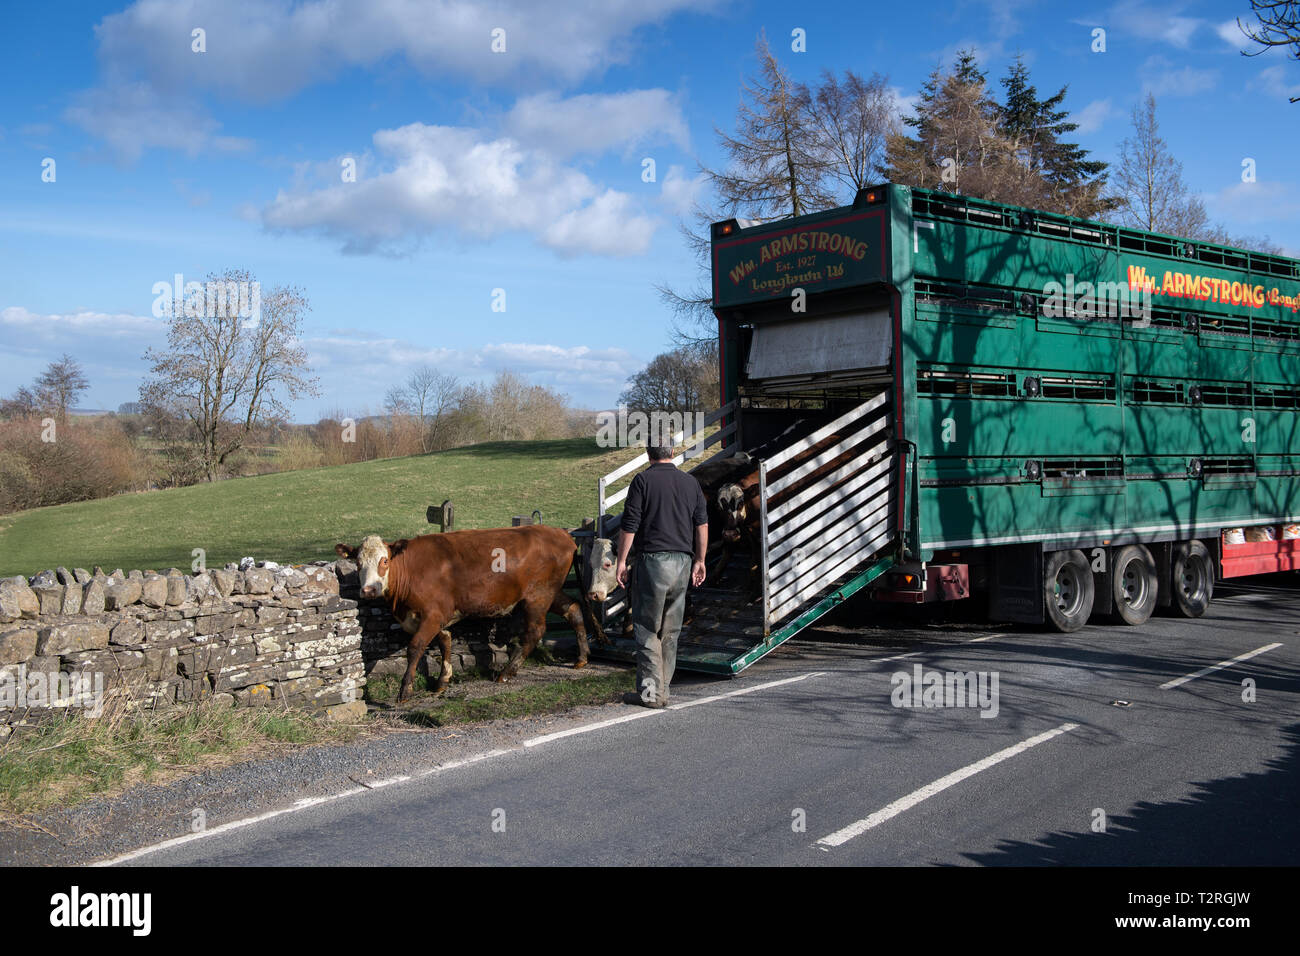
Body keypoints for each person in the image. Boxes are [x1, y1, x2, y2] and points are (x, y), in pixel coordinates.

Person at [615, 444, 708, 708]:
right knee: (671, 632)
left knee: (646, 630)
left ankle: (651, 695)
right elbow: (702, 524)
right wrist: (700, 560)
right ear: (673, 453)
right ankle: (663, 691)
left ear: (648, 455)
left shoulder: (642, 480)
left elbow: (630, 524)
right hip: (682, 561)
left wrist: (622, 560)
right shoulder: (691, 483)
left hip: (653, 561)